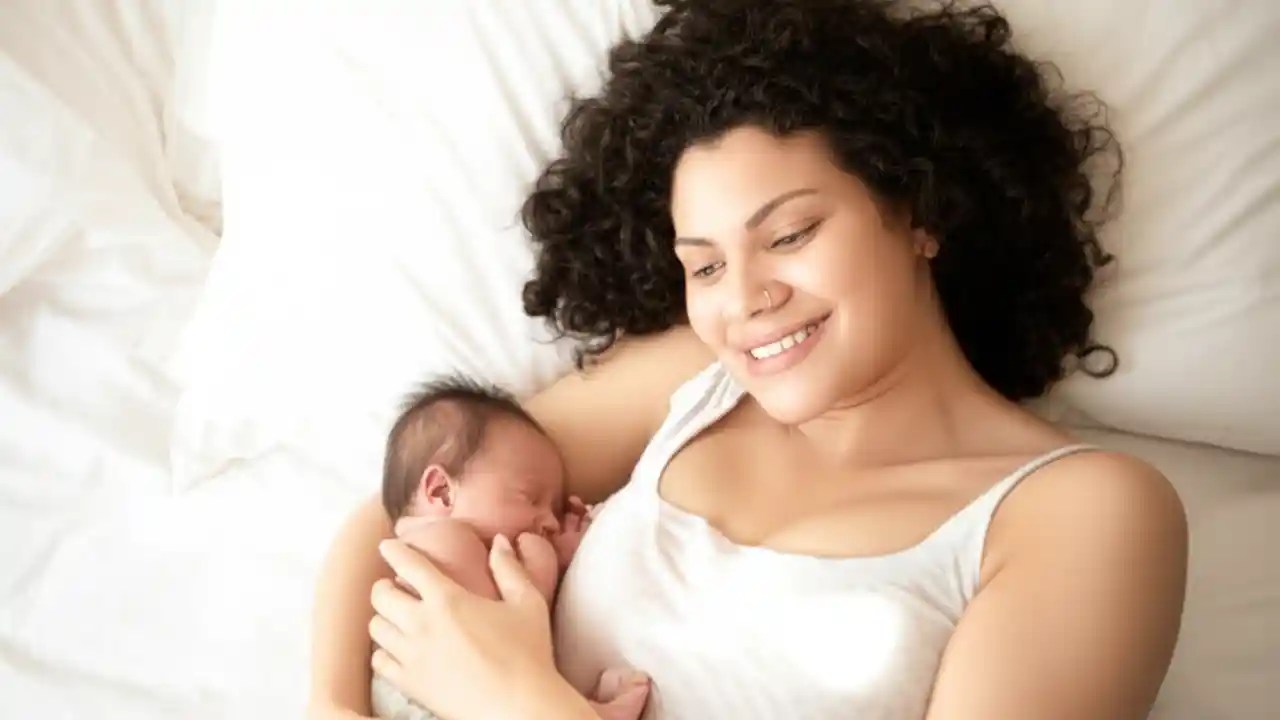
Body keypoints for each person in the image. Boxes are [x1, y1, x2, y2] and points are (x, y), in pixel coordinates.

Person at [308, 1, 1189, 718]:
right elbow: (407, 503)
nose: (745, 298)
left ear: (922, 213)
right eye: (705, 265)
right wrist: (332, 708)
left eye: (792, 233)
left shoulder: (1085, 511)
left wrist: (517, 702)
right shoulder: (701, 380)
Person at [368, 375, 650, 720]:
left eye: (555, 509)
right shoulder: (439, 542)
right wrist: (552, 559)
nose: (549, 521)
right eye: (530, 498)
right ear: (441, 491)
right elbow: (500, 635)